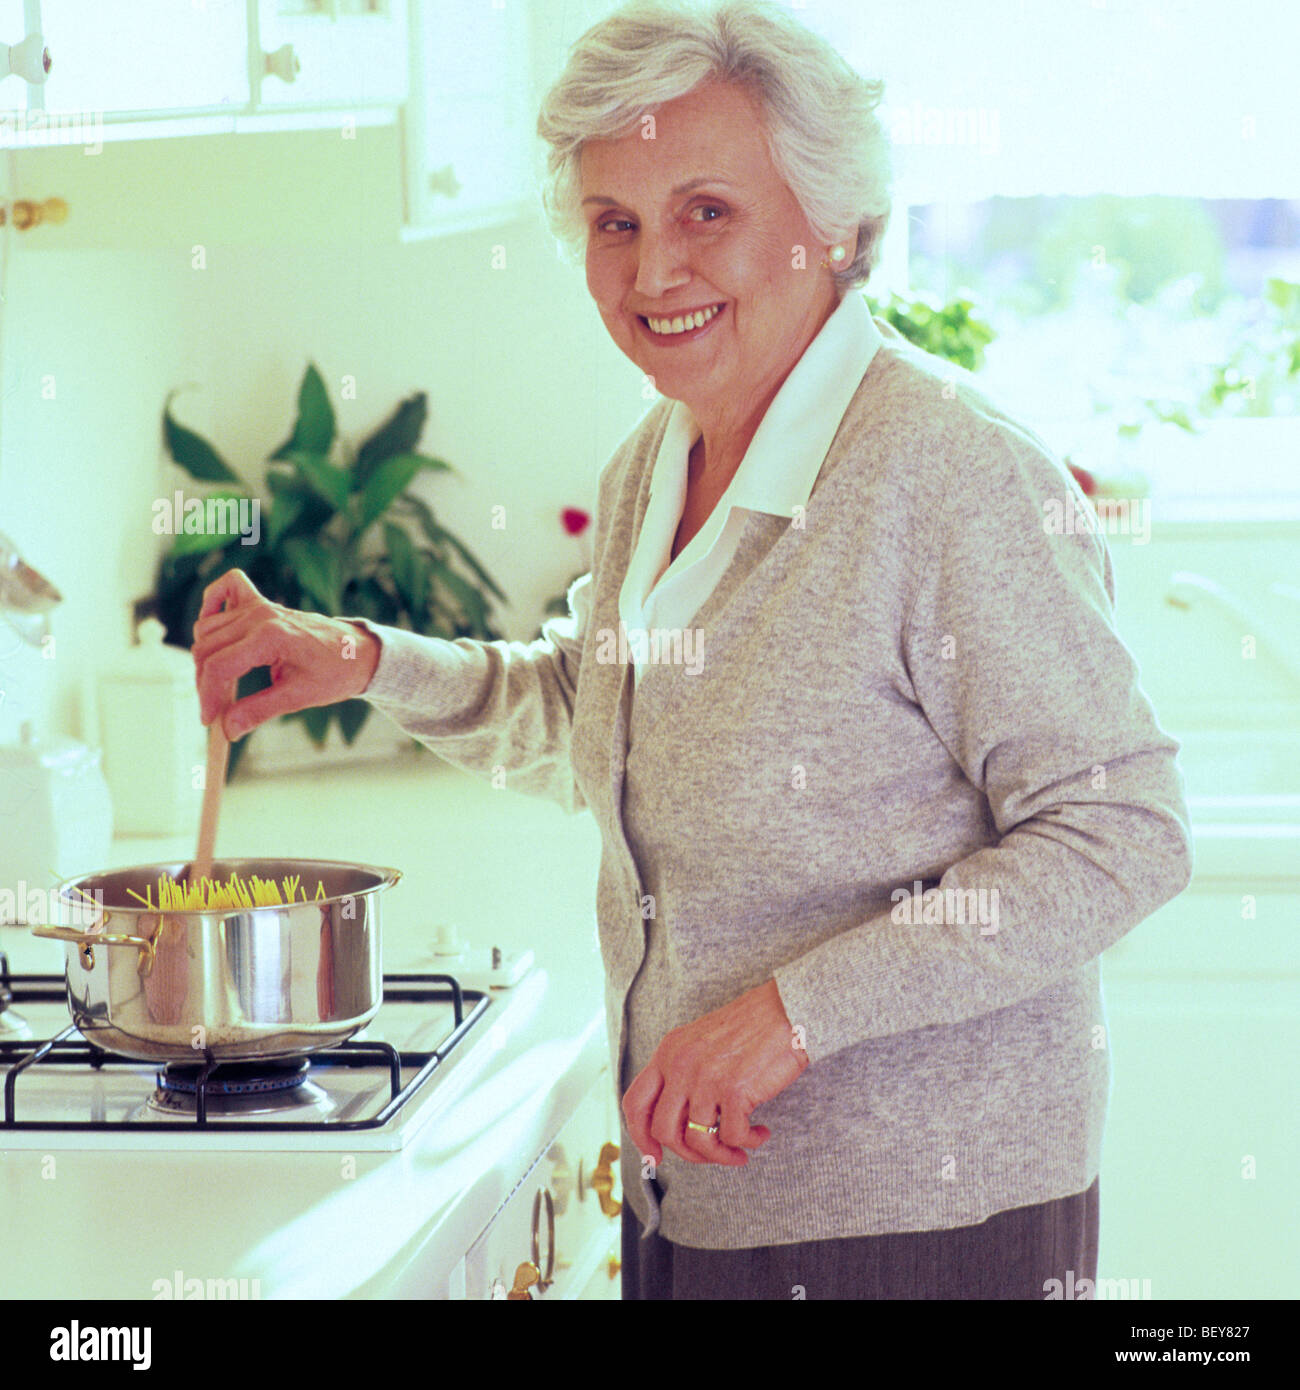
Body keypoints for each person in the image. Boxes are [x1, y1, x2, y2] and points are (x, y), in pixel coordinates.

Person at [192, 0, 1193, 1300]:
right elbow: (596, 711)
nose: (653, 268)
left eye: (705, 210)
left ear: (831, 225)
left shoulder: (948, 472)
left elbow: (1124, 830)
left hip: (918, 1228)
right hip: (697, 1205)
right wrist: (368, 658)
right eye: (615, 222)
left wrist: (791, 1015)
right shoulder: (654, 466)